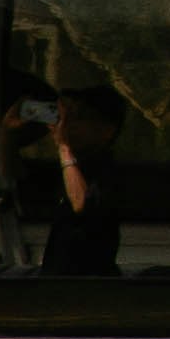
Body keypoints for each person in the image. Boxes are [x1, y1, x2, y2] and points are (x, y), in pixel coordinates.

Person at [40, 92, 125, 277]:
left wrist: (64, 147)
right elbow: (15, 178)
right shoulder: (73, 167)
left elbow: (82, 204)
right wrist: (9, 134)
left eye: (79, 118)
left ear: (107, 130)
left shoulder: (106, 169)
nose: (70, 125)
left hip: (88, 283)